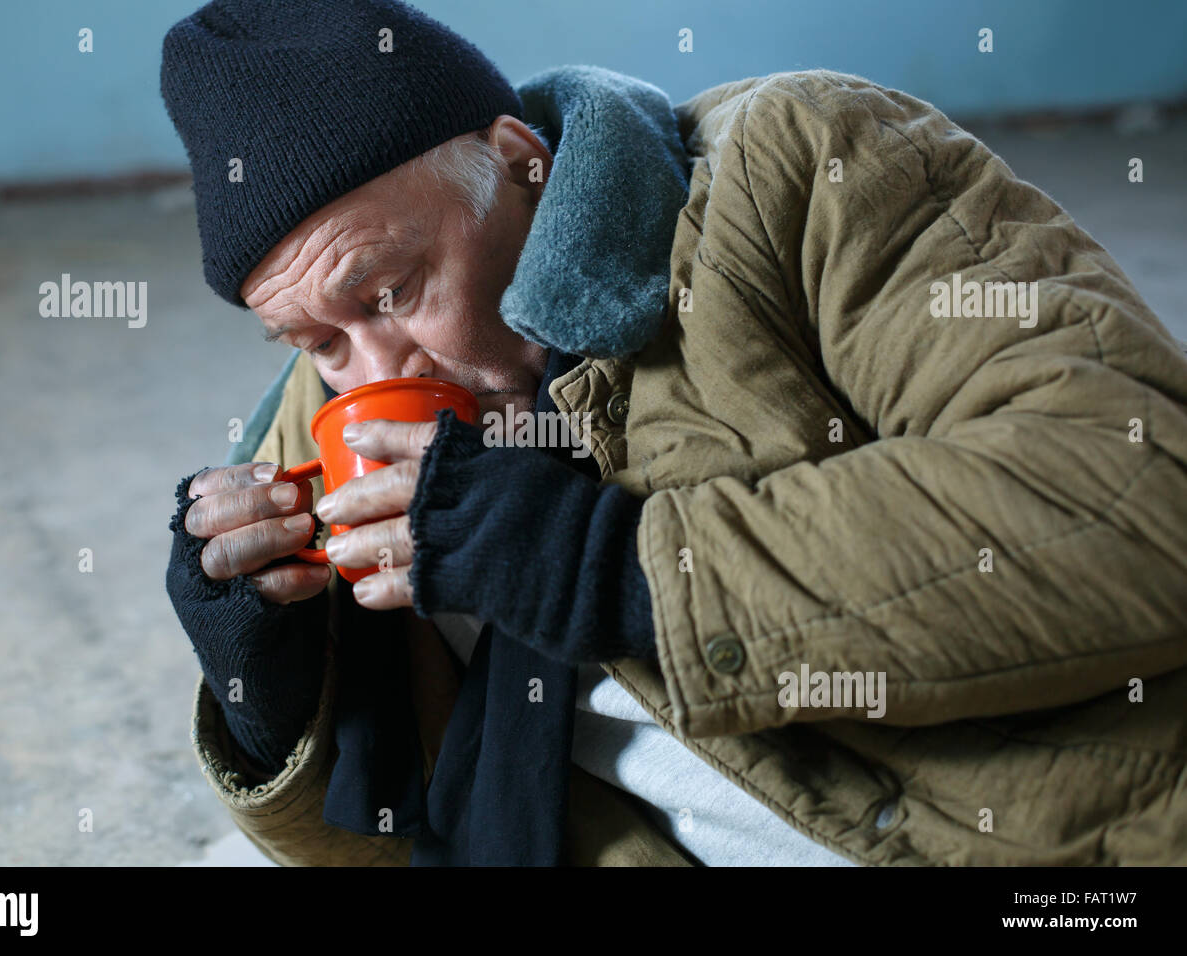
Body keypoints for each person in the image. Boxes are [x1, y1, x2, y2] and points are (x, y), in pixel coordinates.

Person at [160, 0, 1187, 866]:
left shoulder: (805, 167)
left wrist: (612, 566)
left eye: (392, 289)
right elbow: (395, 831)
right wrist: (273, 695)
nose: (374, 372)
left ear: (520, 162)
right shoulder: (335, 410)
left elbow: (1138, 498)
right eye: (312, 339)